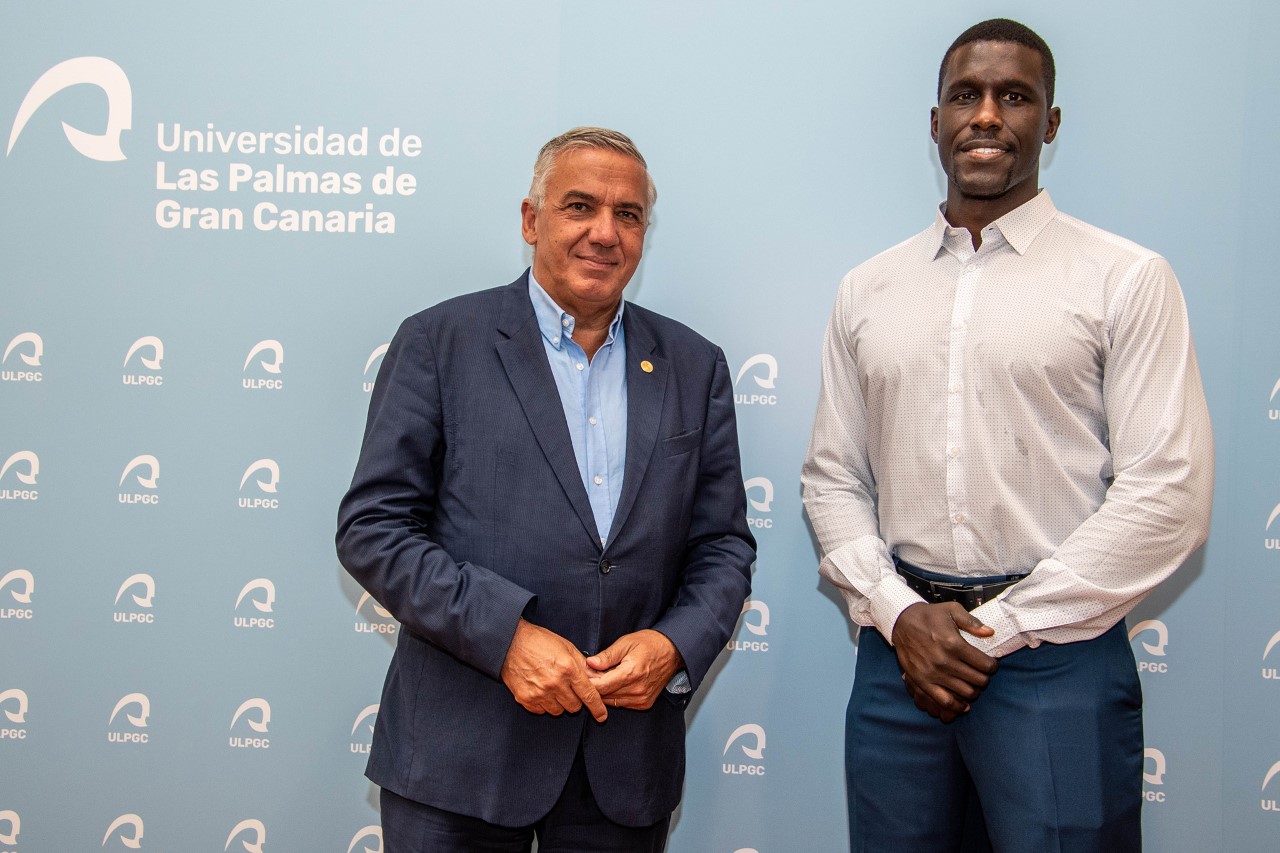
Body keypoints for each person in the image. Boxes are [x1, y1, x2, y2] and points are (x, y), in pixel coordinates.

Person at [801, 19, 1213, 853]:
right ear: (935, 121)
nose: (986, 115)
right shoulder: (868, 288)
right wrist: (897, 612)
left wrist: (1004, 623)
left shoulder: (1125, 279)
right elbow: (832, 478)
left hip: (1058, 654)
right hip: (899, 655)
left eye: (1014, 96)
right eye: (966, 95)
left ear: (1050, 124)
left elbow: (1166, 493)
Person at [337, 126, 755, 852]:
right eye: (580, 206)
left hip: (622, 770)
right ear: (532, 220)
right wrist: (502, 638)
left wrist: (672, 645)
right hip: (458, 761)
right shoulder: (441, 342)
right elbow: (373, 528)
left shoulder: (694, 364)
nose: (605, 232)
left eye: (628, 215)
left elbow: (721, 545)